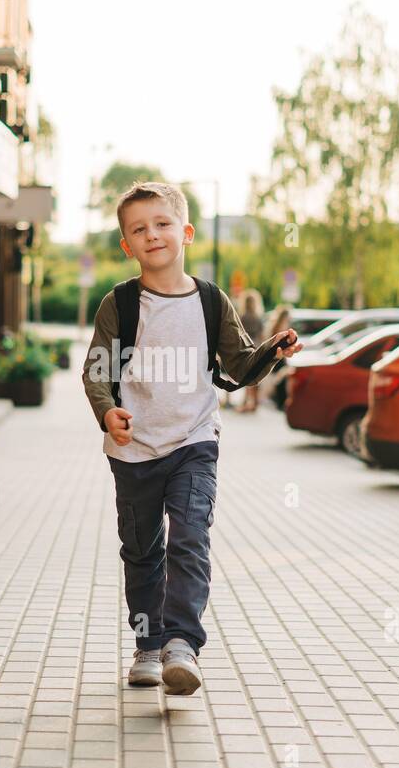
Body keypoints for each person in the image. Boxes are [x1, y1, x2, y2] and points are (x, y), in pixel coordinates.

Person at [81, 182, 301, 695]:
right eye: (138, 229)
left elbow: (240, 365)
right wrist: (108, 411)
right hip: (133, 450)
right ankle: (147, 645)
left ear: (186, 233)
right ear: (126, 245)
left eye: (161, 224)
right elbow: (97, 372)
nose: (151, 235)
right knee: (141, 551)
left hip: (194, 441)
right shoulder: (120, 304)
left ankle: (182, 644)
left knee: (190, 537)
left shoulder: (209, 301)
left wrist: (272, 348)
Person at [236, 289, 265, 412]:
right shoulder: (258, 317)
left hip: (246, 347)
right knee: (256, 375)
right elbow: (262, 335)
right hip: (257, 347)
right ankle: (255, 401)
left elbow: (239, 333)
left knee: (246, 375)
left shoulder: (242, 317)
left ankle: (246, 401)